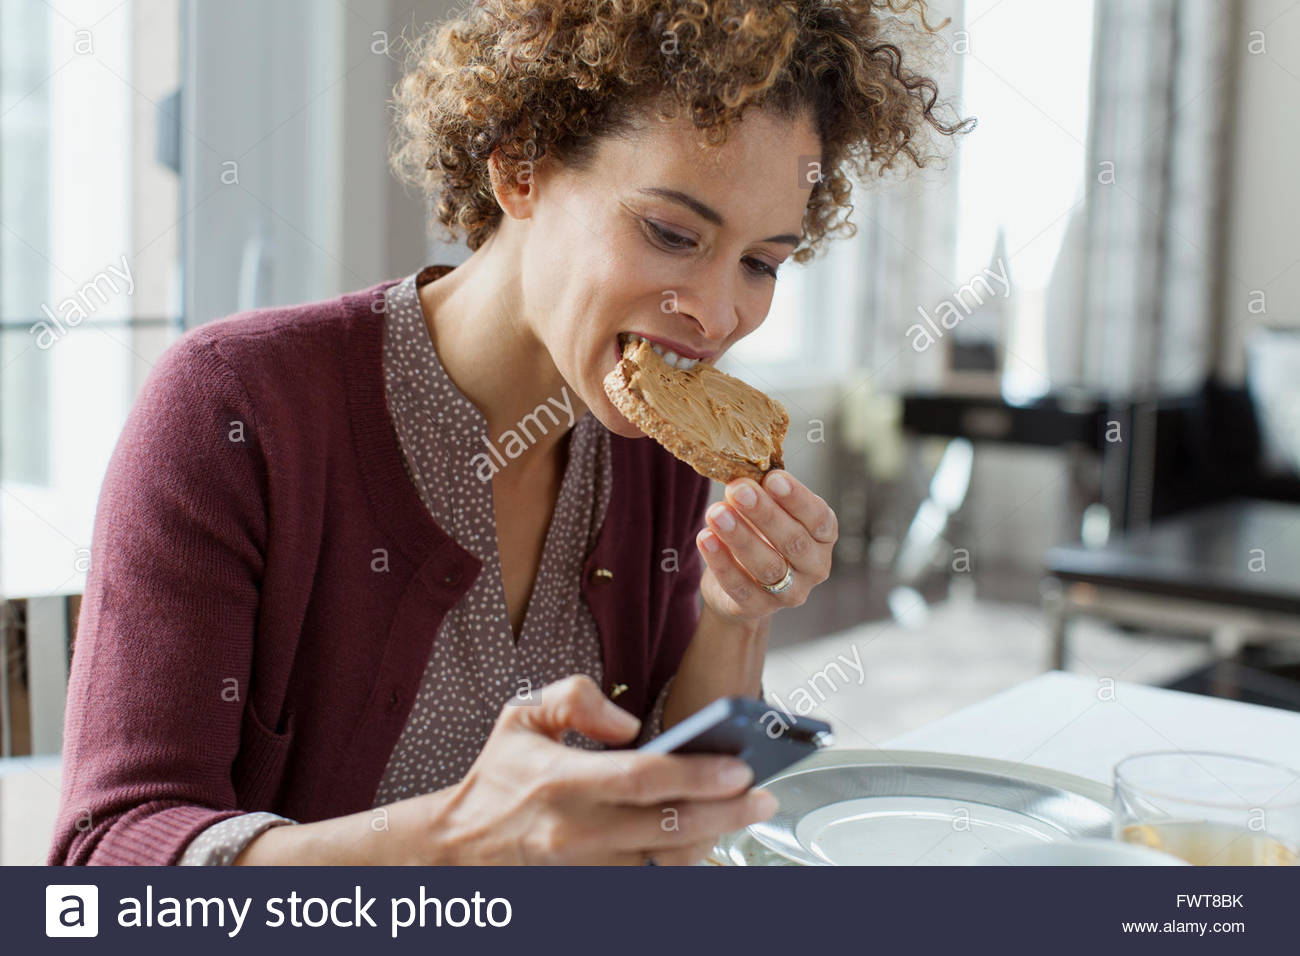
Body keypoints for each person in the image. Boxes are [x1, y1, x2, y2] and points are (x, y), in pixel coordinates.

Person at [48, 0, 970, 866]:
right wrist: (458, 836)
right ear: (520, 165)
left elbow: (668, 834)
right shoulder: (234, 410)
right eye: (670, 232)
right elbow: (103, 870)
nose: (719, 315)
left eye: (764, 263)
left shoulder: (659, 451)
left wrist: (733, 613)